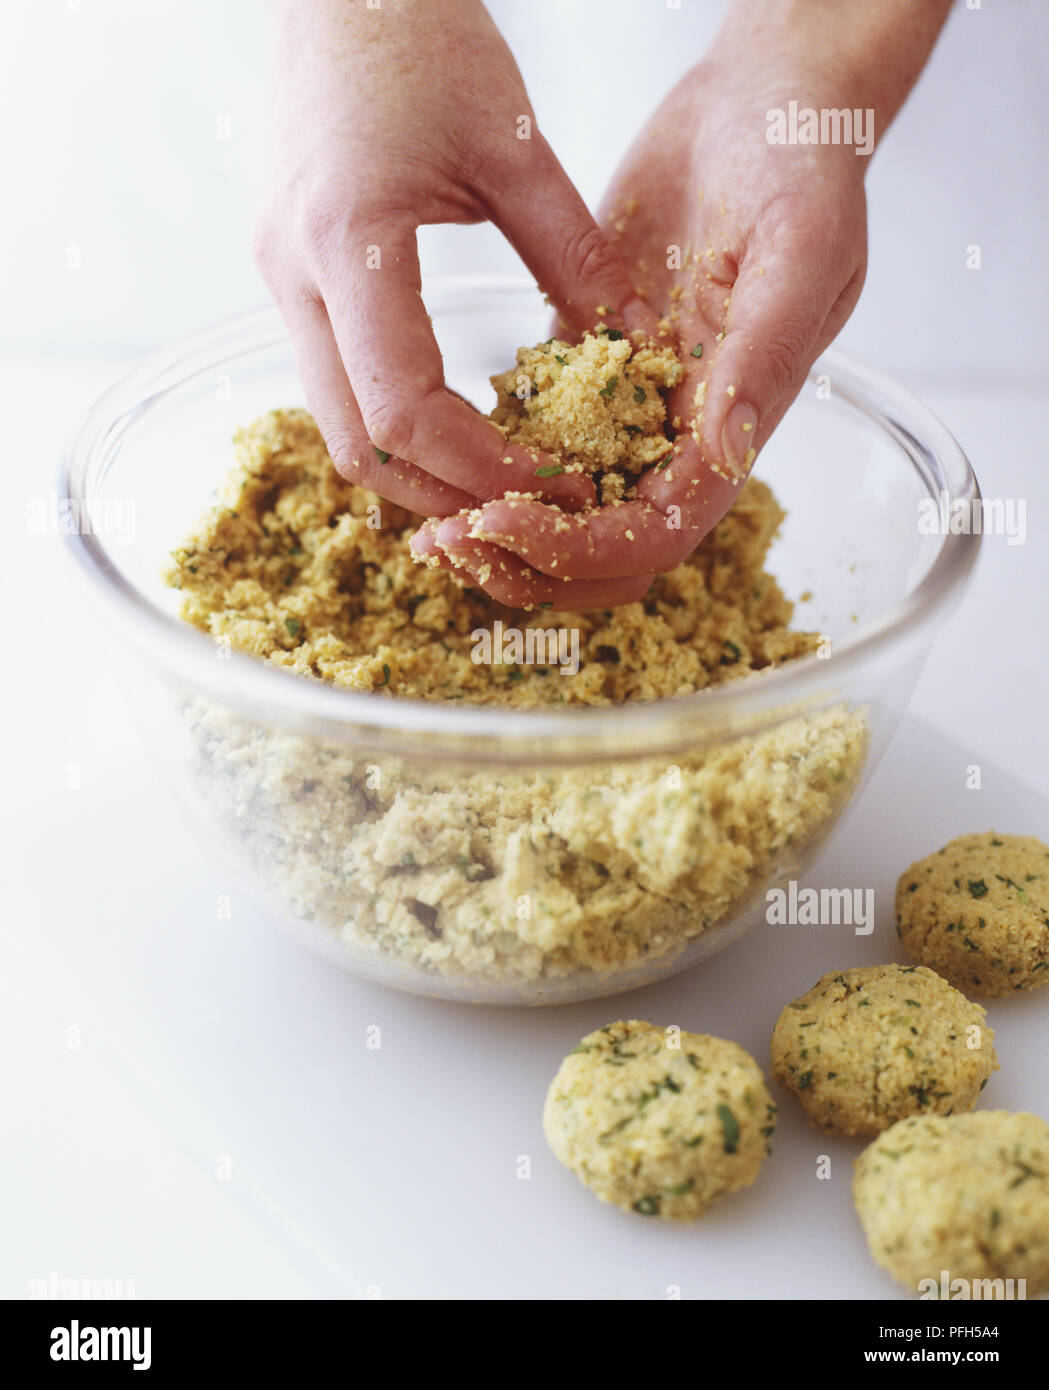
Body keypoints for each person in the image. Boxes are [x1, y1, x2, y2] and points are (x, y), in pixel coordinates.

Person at [253, 0, 951, 610]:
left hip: (957, 316)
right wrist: (356, 23)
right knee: (366, 357)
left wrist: (797, 56)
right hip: (355, 132)